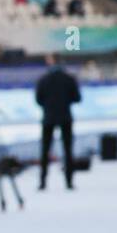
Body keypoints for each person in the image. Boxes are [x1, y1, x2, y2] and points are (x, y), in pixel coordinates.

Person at [35, 53, 80, 190]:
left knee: (45, 150)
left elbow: (38, 99)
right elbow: (77, 98)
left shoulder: (43, 79)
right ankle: (69, 182)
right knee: (67, 150)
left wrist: (49, 106)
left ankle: (42, 182)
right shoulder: (69, 79)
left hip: (48, 118)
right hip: (65, 117)